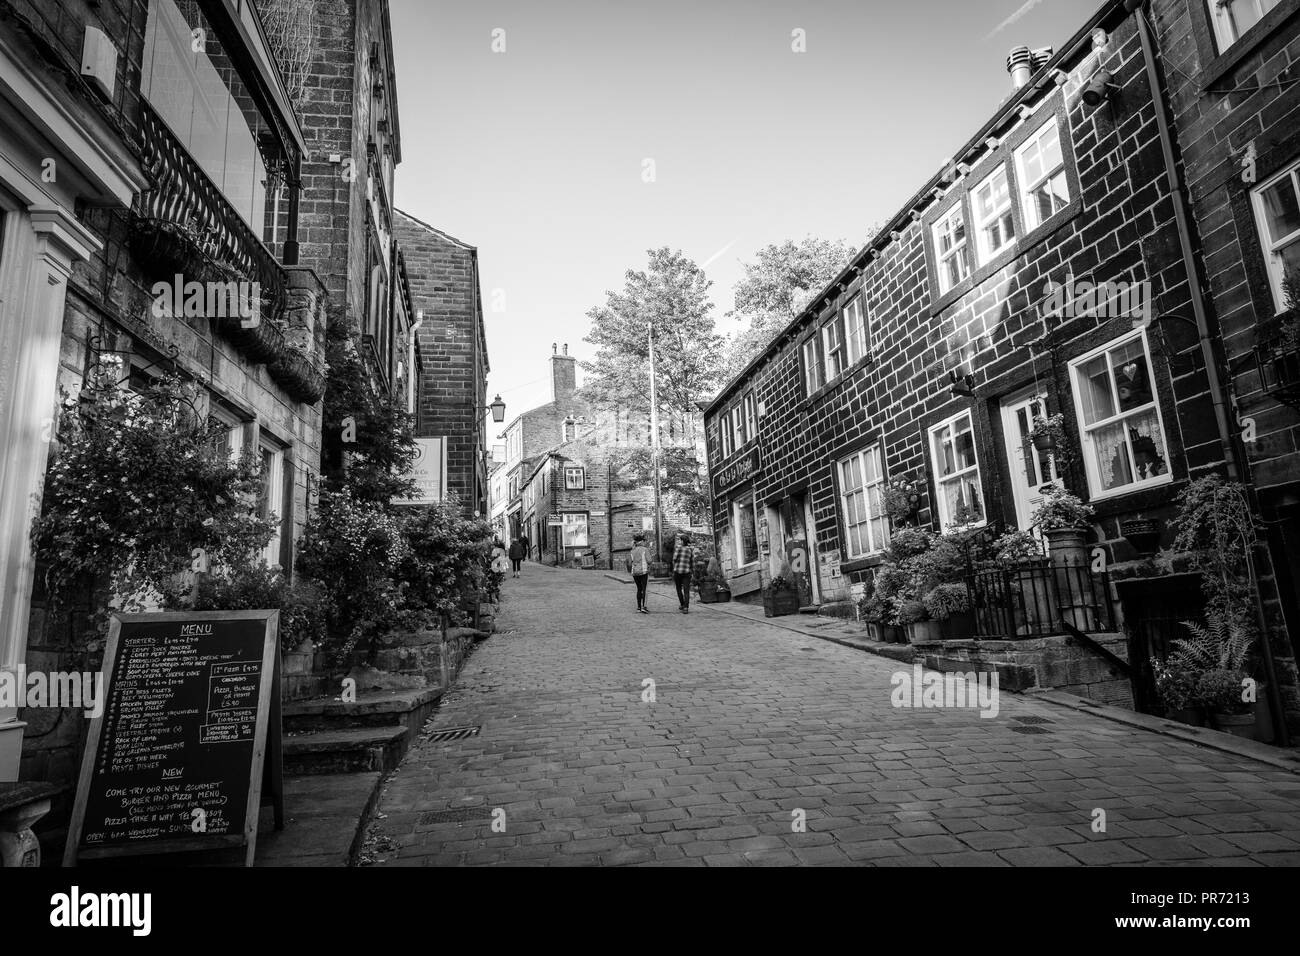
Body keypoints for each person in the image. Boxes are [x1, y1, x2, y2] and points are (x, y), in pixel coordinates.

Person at [671, 532, 696, 613]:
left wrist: (674, 567)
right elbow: (692, 562)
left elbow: (674, 559)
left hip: (678, 571)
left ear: (682, 541)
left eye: (679, 540)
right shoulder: (690, 550)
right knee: (686, 590)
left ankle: (682, 604)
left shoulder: (678, 548)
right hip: (687, 572)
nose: (679, 541)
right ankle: (686, 607)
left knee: (678, 588)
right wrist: (692, 571)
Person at [626, 534, 651, 614]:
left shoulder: (632, 551)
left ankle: (638, 608)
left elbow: (629, 563)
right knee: (644, 589)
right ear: (642, 541)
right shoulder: (645, 549)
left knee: (639, 589)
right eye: (644, 541)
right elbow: (649, 561)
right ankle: (644, 607)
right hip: (643, 572)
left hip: (635, 572)